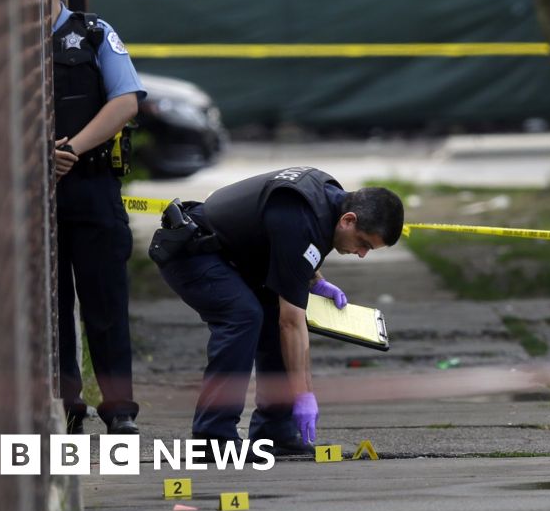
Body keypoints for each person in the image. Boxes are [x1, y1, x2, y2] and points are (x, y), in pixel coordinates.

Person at [152, 167, 404, 456]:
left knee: (271, 312)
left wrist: (315, 280)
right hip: (191, 252)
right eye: (364, 244)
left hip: (227, 256)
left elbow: (288, 248)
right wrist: (304, 395)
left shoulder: (328, 199)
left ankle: (276, 431)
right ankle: (213, 438)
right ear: (349, 220)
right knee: (244, 316)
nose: (361, 254)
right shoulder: (301, 214)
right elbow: (292, 323)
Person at [50, 0, 144, 435]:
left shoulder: (92, 34)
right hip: (38, 198)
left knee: (105, 305)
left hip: (91, 187)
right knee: (53, 310)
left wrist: (69, 149)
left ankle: (119, 410)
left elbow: (126, 100)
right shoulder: (11, 44)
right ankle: (68, 407)